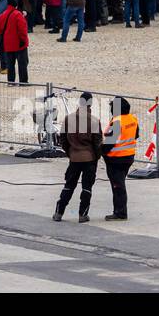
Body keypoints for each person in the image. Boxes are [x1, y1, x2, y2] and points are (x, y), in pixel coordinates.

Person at [53, 92, 103, 223]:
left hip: (74, 157)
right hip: (89, 157)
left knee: (69, 185)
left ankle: (59, 212)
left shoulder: (68, 119)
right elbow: (98, 142)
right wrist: (96, 156)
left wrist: (70, 152)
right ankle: (83, 214)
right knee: (87, 187)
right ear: (91, 104)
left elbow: (62, 140)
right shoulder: (94, 121)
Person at [101, 97, 138, 221]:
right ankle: (120, 211)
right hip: (129, 157)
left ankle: (120, 213)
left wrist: (100, 153)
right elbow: (136, 135)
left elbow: (109, 143)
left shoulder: (117, 122)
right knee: (120, 184)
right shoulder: (132, 119)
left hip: (116, 159)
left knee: (118, 186)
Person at [0, 0, 30, 85]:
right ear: (16, 5)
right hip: (19, 44)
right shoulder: (18, 14)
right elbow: (22, 30)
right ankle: (23, 81)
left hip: (7, 44)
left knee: (10, 64)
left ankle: (11, 81)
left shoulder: (2, 15)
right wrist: (24, 41)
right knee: (22, 63)